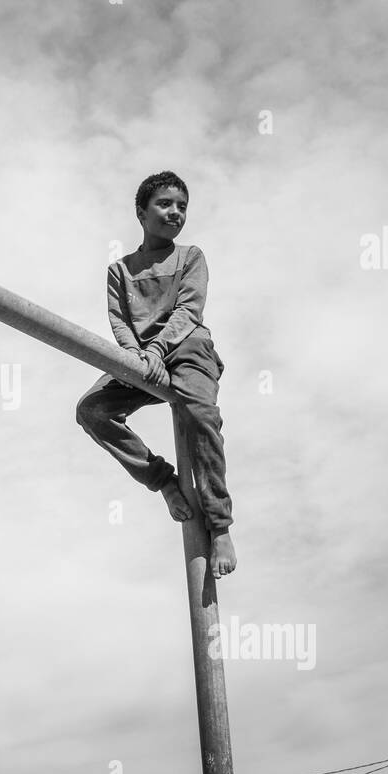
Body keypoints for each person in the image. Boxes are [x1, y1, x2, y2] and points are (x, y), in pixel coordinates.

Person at [76, 170, 238, 578]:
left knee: (199, 416)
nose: (175, 212)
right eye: (165, 204)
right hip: (142, 360)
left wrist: (157, 348)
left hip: (185, 348)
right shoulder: (120, 270)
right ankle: (164, 482)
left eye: (182, 206)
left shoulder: (190, 257)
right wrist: (134, 356)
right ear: (141, 212)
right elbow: (119, 320)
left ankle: (219, 526)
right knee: (92, 410)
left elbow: (189, 310)